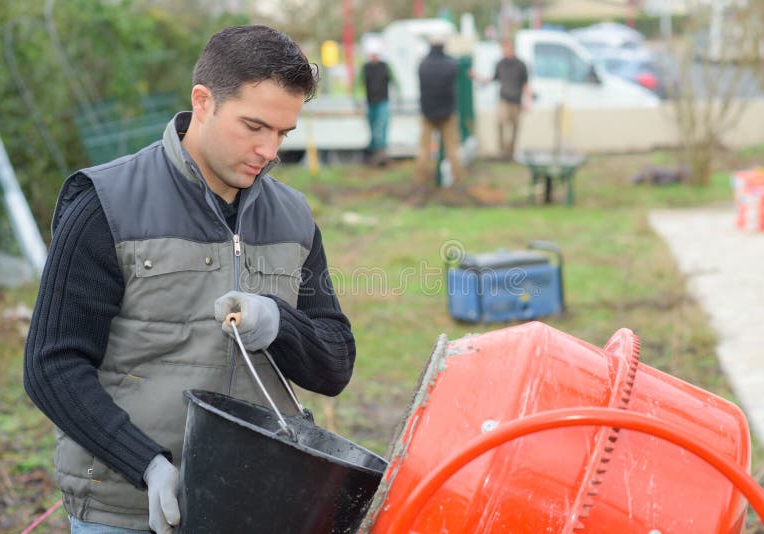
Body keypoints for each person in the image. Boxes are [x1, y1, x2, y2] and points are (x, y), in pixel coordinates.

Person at [23, 25, 355, 534]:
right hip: (126, 511)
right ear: (203, 101)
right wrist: (146, 464)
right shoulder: (105, 204)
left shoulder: (293, 216)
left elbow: (334, 366)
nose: (268, 150)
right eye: (254, 126)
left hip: (252, 506)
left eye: (282, 133)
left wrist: (279, 323)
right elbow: (52, 365)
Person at [412, 34, 465, 191]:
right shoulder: (450, 64)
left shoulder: (423, 65)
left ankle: (420, 181)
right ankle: (459, 181)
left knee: (424, 149)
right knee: (452, 149)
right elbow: (457, 72)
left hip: (428, 113)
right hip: (447, 113)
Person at [473, 39, 531, 160]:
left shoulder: (521, 65)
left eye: (507, 47)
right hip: (504, 99)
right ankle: (502, 150)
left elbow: (525, 84)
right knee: (500, 122)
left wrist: (527, 101)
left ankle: (511, 152)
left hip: (516, 101)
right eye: (503, 48)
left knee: (515, 127)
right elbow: (493, 79)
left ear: (512, 48)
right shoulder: (500, 64)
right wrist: (477, 77)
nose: (504, 50)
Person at [356, 40, 396, 166]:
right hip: (370, 102)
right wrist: (356, 97)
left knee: (382, 124)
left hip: (383, 101)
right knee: (372, 126)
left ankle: (381, 151)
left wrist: (399, 96)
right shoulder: (365, 68)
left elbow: (395, 81)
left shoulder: (385, 67)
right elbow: (357, 83)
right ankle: (373, 151)